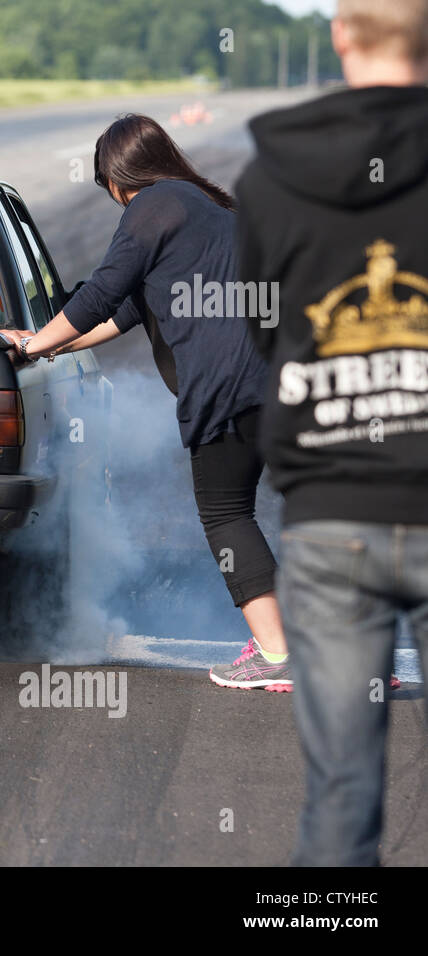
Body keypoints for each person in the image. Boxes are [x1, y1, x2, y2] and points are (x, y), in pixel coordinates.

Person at [0, 114, 291, 690]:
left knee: (227, 512)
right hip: (276, 382)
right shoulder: (207, 211)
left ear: (118, 174)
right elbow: (121, 313)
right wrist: (42, 351)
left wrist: (33, 342)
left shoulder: (153, 207)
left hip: (227, 389)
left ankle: (278, 654)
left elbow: (99, 294)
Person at [235, 0, 428, 865]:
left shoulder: (268, 181)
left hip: (328, 511)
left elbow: (265, 331)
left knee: (342, 796)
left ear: (341, 35)